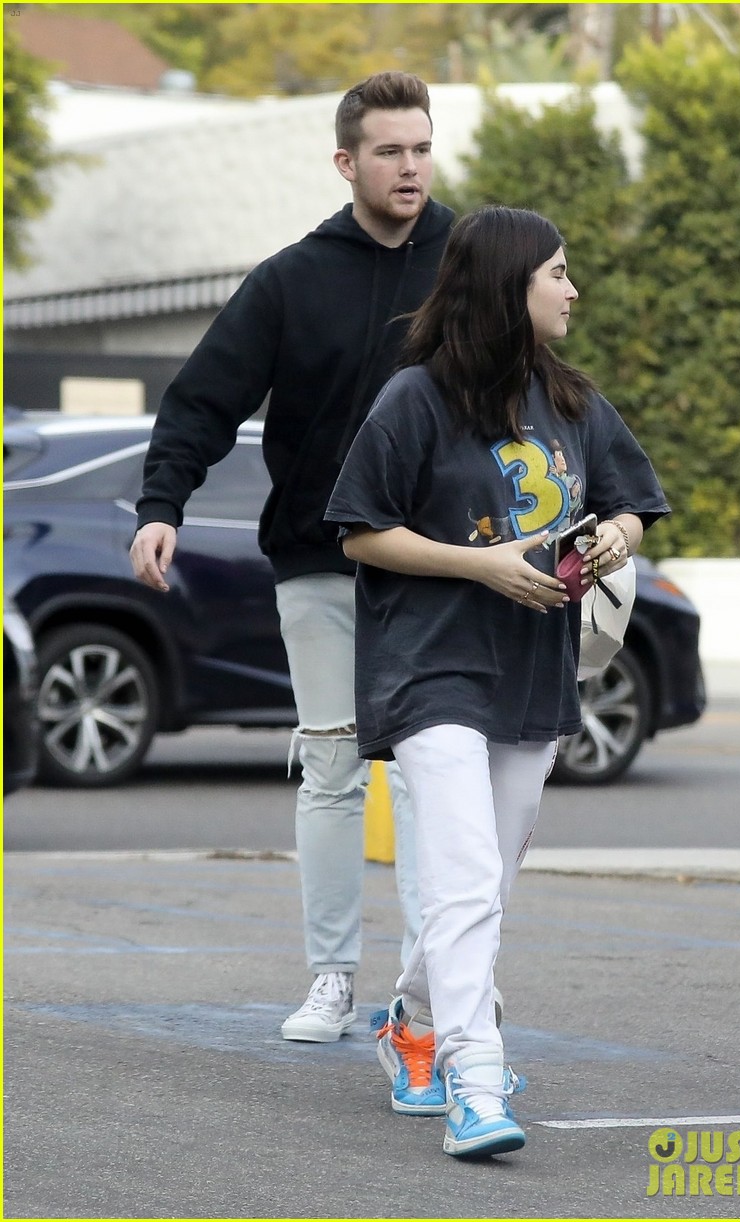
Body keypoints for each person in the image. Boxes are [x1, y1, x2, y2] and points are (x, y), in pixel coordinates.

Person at [325, 206, 670, 1158]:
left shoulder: (572, 401)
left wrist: (613, 537)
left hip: (532, 674)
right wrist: (478, 564)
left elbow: (633, 504)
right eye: (556, 273)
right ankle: (475, 1083)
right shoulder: (412, 401)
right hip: (428, 670)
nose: (571, 289)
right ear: (506, 287)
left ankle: (413, 1020)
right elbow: (357, 530)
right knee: (467, 880)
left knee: (481, 887)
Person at [129, 72, 455, 1043]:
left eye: (421, 147)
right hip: (317, 557)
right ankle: (331, 979)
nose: (409, 167)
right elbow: (198, 403)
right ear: (346, 161)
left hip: (441, 563)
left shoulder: (467, 264)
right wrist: (161, 507)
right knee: (333, 768)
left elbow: (528, 394)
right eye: (389, 151)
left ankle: (432, 990)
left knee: (439, 775)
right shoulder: (290, 277)